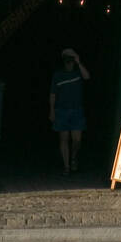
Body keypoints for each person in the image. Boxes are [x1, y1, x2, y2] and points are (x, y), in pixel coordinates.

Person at [49, 48, 90, 176]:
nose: (69, 63)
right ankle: (67, 166)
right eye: (67, 60)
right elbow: (52, 94)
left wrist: (79, 62)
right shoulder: (58, 75)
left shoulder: (78, 73)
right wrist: (52, 110)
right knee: (64, 139)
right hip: (62, 110)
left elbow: (87, 77)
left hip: (77, 110)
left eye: (71, 61)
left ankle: (73, 157)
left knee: (77, 139)